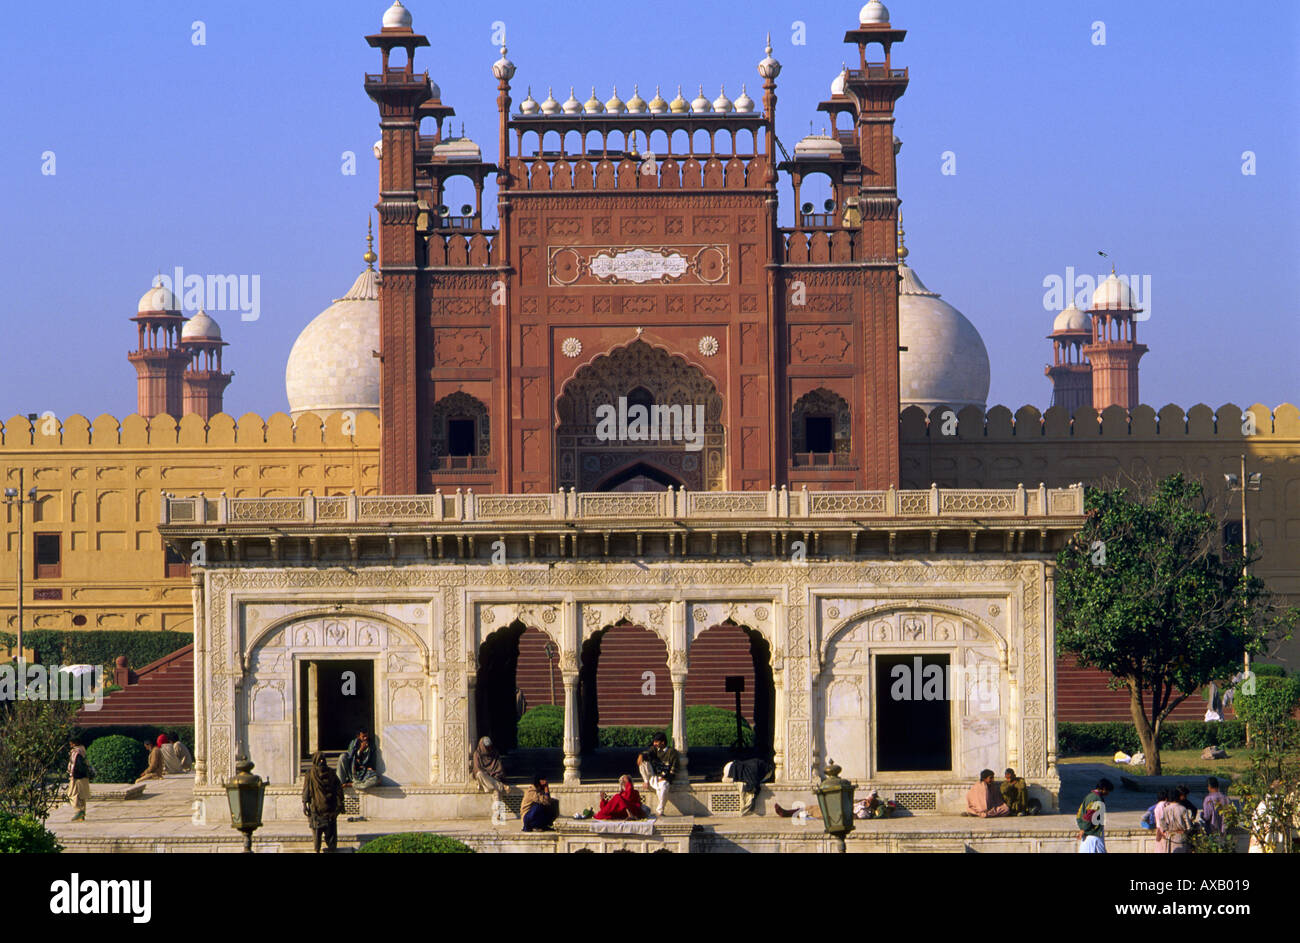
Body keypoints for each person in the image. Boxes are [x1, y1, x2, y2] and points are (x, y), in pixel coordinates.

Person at [301, 751, 345, 853]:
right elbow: (306, 790)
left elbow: (338, 788)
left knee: (331, 835)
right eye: (319, 760)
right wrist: (305, 804)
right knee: (317, 835)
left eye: (323, 759)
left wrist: (340, 803)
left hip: (330, 809)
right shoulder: (310, 774)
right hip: (316, 809)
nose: (322, 761)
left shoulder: (331, 773)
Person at [637, 731, 679, 816]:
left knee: (663, 787)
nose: (654, 743)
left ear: (662, 742)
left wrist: (666, 778)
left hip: (664, 777)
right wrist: (641, 755)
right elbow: (647, 753)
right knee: (643, 761)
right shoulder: (654, 749)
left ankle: (660, 811)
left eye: (656, 742)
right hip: (653, 776)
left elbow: (674, 769)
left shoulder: (672, 752)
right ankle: (646, 781)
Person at [1076, 778, 1113, 853]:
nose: (1108, 793)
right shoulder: (1097, 799)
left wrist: (1082, 827)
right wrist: (1084, 829)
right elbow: (1090, 816)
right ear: (1104, 789)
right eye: (1108, 791)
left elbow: (1080, 814)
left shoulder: (1090, 796)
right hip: (1092, 834)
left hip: (1091, 833)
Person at [1158, 789, 1196, 853]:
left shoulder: (1166, 809)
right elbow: (1189, 826)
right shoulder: (1183, 809)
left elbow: (1162, 822)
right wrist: (1186, 831)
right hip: (1181, 837)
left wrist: (1167, 830)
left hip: (1170, 837)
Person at [67, 738, 91, 822]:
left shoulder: (76, 752)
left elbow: (77, 765)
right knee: (81, 795)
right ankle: (82, 814)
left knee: (72, 794)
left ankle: (79, 811)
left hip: (77, 777)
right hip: (83, 776)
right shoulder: (82, 750)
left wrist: (74, 775)